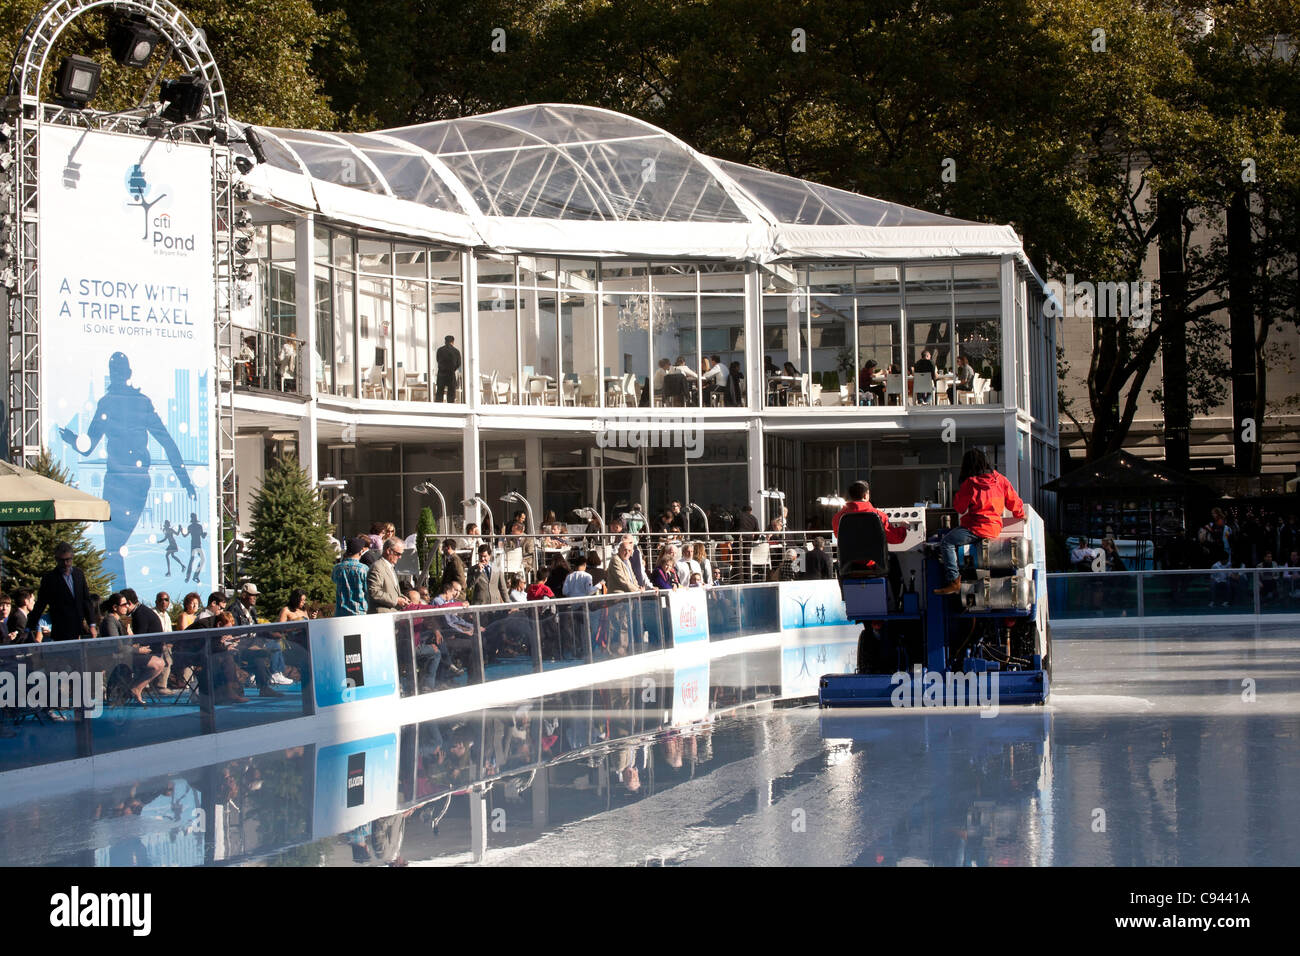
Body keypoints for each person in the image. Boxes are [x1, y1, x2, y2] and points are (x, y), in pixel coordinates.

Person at [58, 352, 197, 588]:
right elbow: (168, 442)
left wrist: (71, 439)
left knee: (113, 550)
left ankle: (119, 601)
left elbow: (87, 447)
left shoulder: (108, 403)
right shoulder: (140, 403)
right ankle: (120, 601)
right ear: (128, 375)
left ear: (114, 375)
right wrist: (185, 481)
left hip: (119, 482)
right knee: (114, 551)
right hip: (132, 482)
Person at [934, 449, 1025, 595]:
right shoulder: (1000, 479)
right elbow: (1014, 503)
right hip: (994, 528)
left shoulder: (970, 483)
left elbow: (959, 507)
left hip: (975, 528)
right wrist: (1021, 514)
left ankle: (954, 581)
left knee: (947, 543)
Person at [30, 541, 97, 640]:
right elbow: (41, 603)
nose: (65, 564)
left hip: (79, 626)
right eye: (62, 561)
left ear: (72, 558)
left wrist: (91, 624)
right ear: (56, 559)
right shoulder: (50, 578)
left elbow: (86, 600)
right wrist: (28, 627)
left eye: (68, 560)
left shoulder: (78, 574)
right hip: (61, 629)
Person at [368, 538, 410, 613]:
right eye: (398, 554)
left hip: (391, 613)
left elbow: (394, 591)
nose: (400, 557)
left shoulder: (390, 566)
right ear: (388, 551)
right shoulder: (377, 567)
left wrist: (403, 598)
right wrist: (396, 600)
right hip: (381, 615)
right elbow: (374, 592)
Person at [334, 536, 372, 616]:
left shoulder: (337, 568)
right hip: (359, 612)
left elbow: (334, 582)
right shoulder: (363, 569)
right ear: (361, 551)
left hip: (340, 612)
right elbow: (368, 590)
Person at [435, 335, 461, 403]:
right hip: (451, 374)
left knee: (439, 393)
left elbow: (438, 360)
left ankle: (438, 409)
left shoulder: (439, 350)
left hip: (441, 373)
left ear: (445, 341)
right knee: (451, 394)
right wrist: (453, 369)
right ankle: (451, 409)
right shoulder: (456, 351)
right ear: (452, 342)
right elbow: (458, 364)